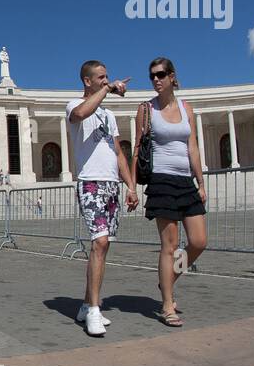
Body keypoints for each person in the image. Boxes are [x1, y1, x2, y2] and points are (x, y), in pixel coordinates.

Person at [132, 56, 208, 327]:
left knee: (199, 242)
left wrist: (201, 182)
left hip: (185, 181)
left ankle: (166, 281)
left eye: (161, 74)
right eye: (152, 75)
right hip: (161, 181)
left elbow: (193, 147)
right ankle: (167, 304)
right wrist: (132, 185)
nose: (156, 79)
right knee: (171, 246)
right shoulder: (146, 109)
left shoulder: (187, 108)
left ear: (173, 76)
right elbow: (139, 149)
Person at [66, 59, 138, 337]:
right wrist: (107, 90)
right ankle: (94, 310)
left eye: (107, 77)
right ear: (87, 81)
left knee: (103, 247)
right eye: (101, 78)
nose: (106, 81)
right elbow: (82, 113)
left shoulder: (109, 116)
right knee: (100, 242)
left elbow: (118, 152)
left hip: (111, 184)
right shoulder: (73, 105)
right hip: (91, 182)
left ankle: (86, 304)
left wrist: (130, 186)